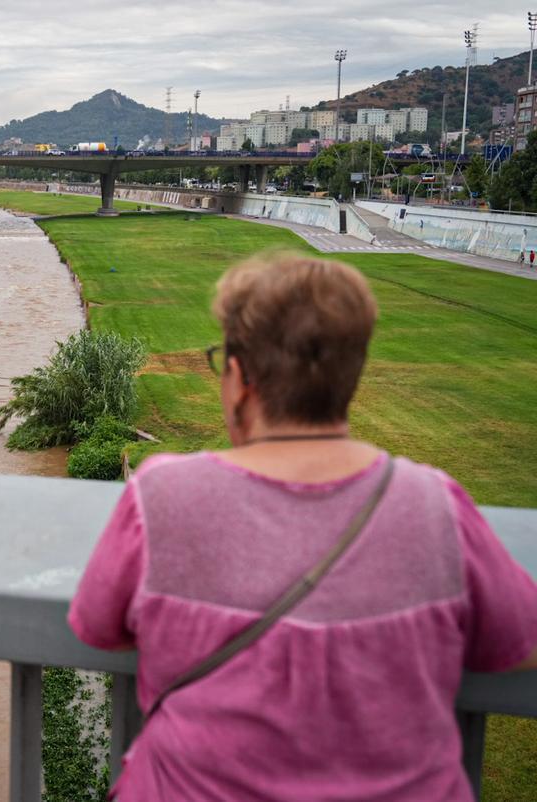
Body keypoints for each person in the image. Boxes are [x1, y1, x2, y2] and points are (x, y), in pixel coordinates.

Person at [69, 252, 537, 802]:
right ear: (351, 378)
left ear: (238, 379)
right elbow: (517, 644)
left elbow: (96, 626)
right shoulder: (434, 501)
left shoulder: (161, 493)